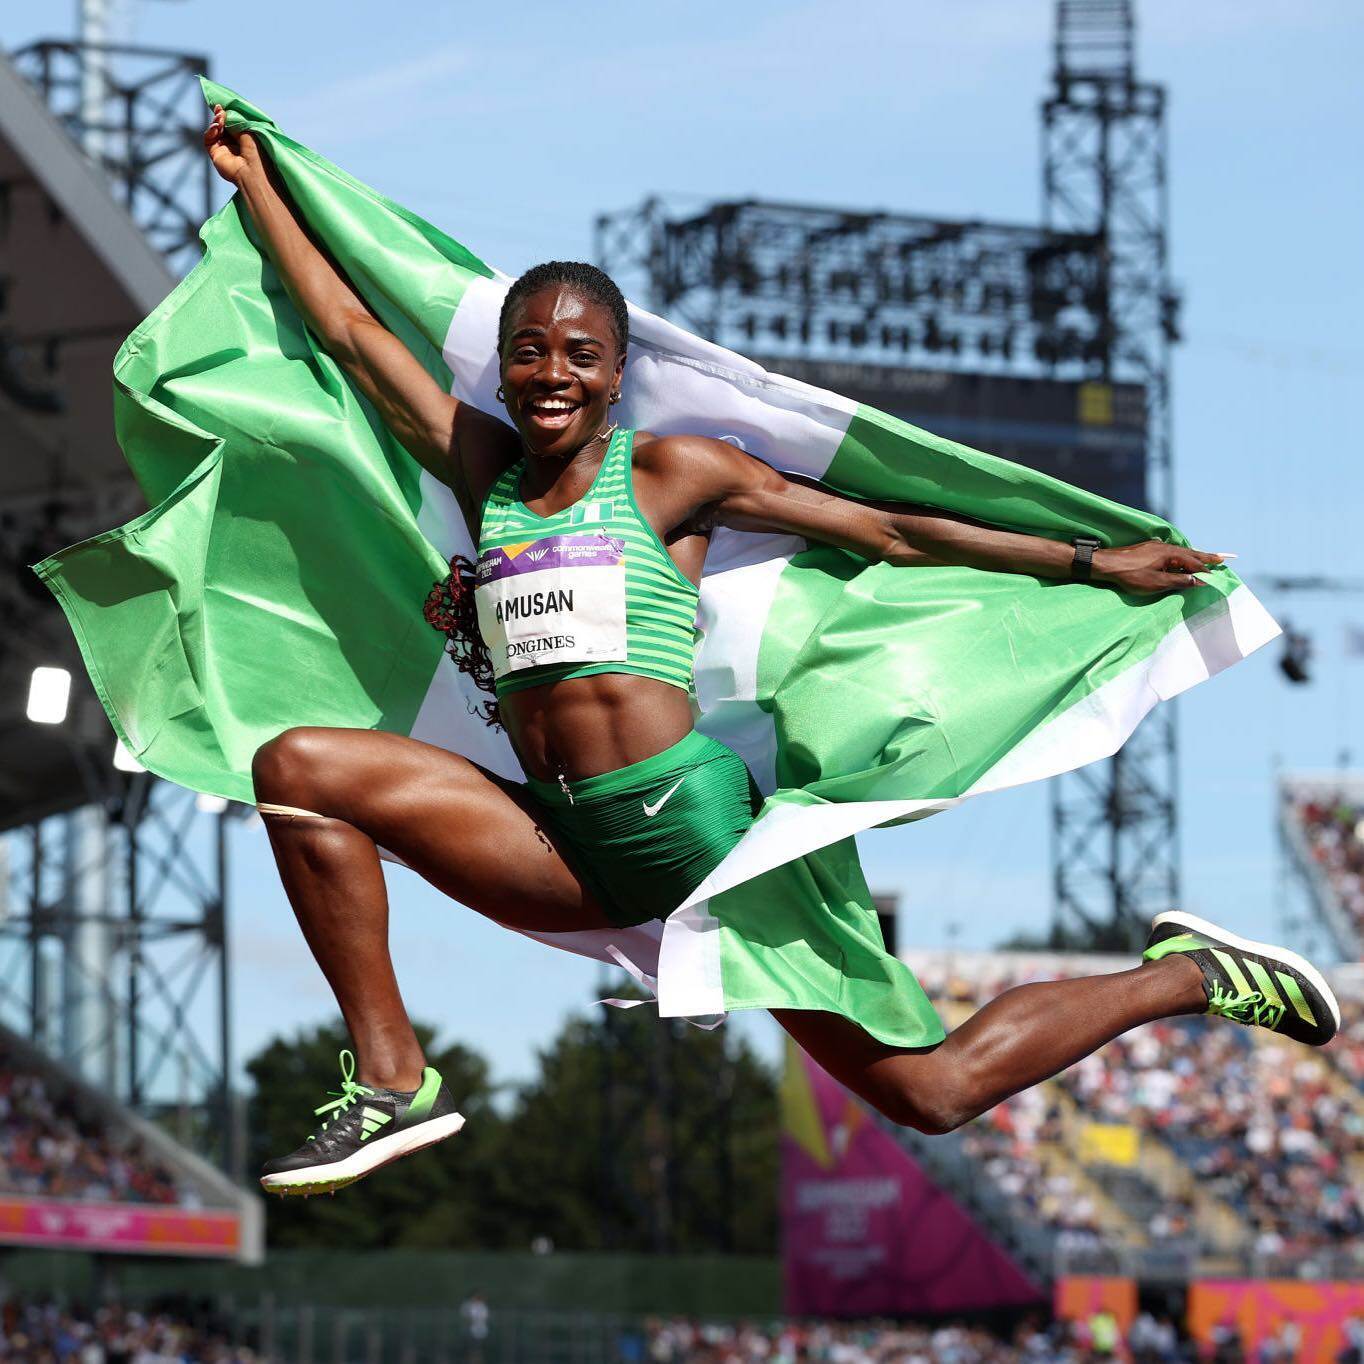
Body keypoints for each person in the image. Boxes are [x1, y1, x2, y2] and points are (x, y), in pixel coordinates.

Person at [202, 107, 1341, 1197]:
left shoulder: (670, 473)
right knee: (297, 767)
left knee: (934, 1091)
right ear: (501, 368)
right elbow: (353, 334)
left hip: (695, 836)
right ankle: (393, 1080)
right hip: (558, 837)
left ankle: (1188, 973)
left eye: (580, 354)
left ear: (613, 371)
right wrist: (262, 190)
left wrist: (1089, 565)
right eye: (528, 353)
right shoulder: (483, 473)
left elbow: (891, 528)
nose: (551, 373)